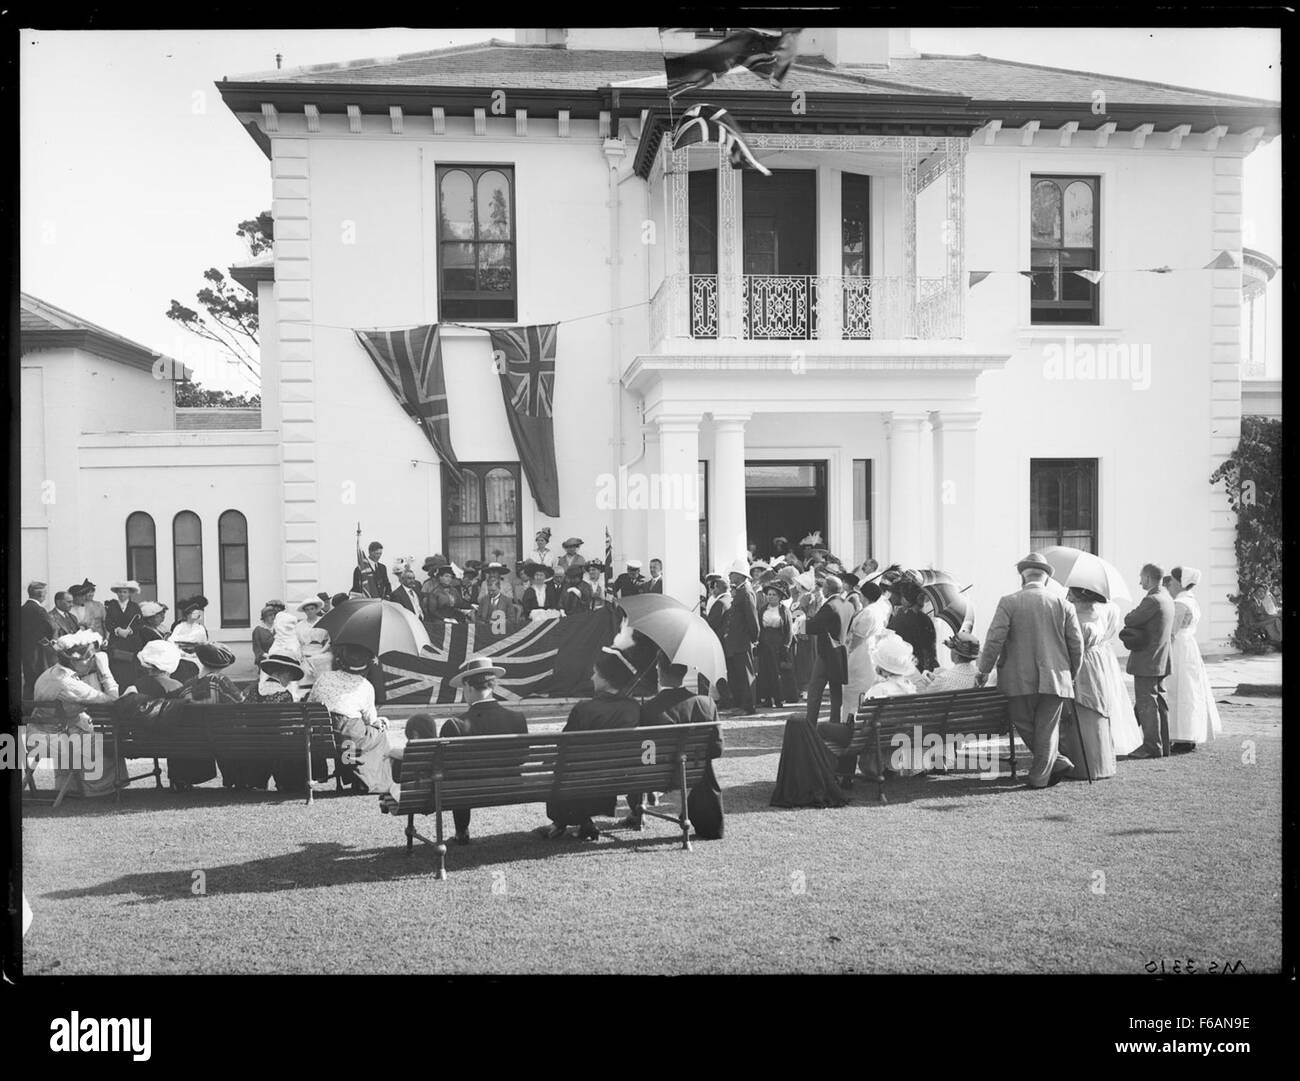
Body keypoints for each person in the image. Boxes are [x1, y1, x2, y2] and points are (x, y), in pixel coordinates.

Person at [975, 553, 1084, 789]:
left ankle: (1039, 778)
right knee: (1047, 728)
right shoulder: (1064, 605)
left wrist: (984, 669)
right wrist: (1071, 674)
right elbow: (1076, 645)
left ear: (1023, 578)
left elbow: (994, 639)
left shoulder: (1009, 601)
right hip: (1057, 676)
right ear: (1046, 579)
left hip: (1018, 677)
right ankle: (1056, 762)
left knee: (1024, 723)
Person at [542, 645, 643, 840]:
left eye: (596, 673)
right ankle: (581, 821)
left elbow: (564, 746)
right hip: (620, 775)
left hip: (587, 778)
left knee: (566, 767)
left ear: (606, 679)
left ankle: (566, 821)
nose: (592, 677)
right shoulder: (634, 708)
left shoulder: (584, 709)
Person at [619, 654, 724, 838]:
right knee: (702, 763)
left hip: (655, 774)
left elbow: (641, 751)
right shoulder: (706, 704)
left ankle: (637, 811)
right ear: (685, 672)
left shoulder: (648, 709)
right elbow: (717, 749)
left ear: (659, 672)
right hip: (693, 772)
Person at [438, 657, 529, 844]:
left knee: (458, 777)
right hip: (512, 785)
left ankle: (461, 831)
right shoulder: (518, 718)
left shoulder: (454, 725)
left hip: (469, 791)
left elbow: (444, 767)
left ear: (468, 687)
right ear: (493, 685)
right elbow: (523, 757)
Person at [29, 631, 122, 798]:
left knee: (80, 729)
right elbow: (113, 700)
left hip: (37, 736)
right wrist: (105, 671)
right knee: (108, 741)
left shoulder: (50, 674)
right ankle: (99, 789)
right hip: (58, 741)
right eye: (90, 658)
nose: (93, 661)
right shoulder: (67, 683)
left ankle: (70, 787)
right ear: (75, 661)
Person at [1054, 588, 1124, 780]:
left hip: (1082, 664)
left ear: (1078, 596)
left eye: (1071, 593)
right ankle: (1100, 763)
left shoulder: (1075, 617)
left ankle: (1084, 765)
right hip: (1096, 663)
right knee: (1095, 709)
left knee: (1082, 710)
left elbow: (1072, 645)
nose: (1068, 596)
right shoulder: (1097, 614)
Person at [310, 642, 393, 795]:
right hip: (347, 741)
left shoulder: (324, 678)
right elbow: (371, 721)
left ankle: (353, 775)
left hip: (319, 739)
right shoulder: (365, 686)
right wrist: (382, 722)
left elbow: (310, 704)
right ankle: (369, 780)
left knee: (353, 735)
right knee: (379, 735)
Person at [1121, 563, 1175, 759]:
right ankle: (1162, 745)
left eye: (1141, 578)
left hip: (1147, 659)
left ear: (1148, 578)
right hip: (1160, 658)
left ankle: (1151, 746)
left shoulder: (1152, 600)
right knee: (1159, 701)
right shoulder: (1166, 597)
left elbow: (1130, 619)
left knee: (1147, 703)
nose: (1140, 582)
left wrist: (1131, 614)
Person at [1165, 567, 1223, 751]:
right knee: (1189, 690)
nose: (1170, 584)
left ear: (1179, 582)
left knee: (1180, 690)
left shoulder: (1180, 603)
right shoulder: (1191, 600)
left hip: (1179, 648)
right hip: (1189, 646)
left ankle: (1183, 736)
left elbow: (1172, 631)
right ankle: (1186, 734)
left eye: (1172, 581)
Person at [804, 574, 853, 726]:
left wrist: (800, 621)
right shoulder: (848, 605)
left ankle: (810, 724)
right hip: (841, 652)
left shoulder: (829, 606)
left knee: (815, 690)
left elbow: (813, 626)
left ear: (827, 589)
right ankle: (835, 724)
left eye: (824, 586)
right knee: (836, 691)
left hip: (827, 653)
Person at [842, 581, 888, 716]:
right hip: (869, 652)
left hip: (861, 654)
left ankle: (850, 719)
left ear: (864, 596)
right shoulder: (877, 610)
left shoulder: (868, 612)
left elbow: (857, 638)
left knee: (854, 690)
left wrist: (847, 653)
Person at [723, 559, 760, 714]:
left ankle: (748, 706)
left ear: (740, 575)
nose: (730, 576)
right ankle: (739, 705)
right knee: (737, 675)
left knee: (745, 675)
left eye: (732, 573)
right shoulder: (740, 591)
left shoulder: (746, 592)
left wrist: (754, 638)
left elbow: (752, 619)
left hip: (742, 640)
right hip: (735, 641)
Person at [887, 579, 938, 675]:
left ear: (905, 599)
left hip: (907, 667)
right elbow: (930, 648)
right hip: (923, 668)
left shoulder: (900, 618)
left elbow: (890, 643)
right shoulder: (925, 618)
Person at [756, 581, 793, 709]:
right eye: (769, 594)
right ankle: (766, 699)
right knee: (764, 672)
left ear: (779, 597)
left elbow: (789, 630)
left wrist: (786, 646)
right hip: (764, 643)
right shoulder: (762, 609)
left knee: (776, 672)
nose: (770, 597)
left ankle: (778, 699)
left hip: (778, 644)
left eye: (774, 595)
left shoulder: (784, 611)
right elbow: (758, 626)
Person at [104, 580, 144, 691]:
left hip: (131, 643)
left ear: (129, 593)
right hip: (116, 643)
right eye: (120, 592)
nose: (122, 594)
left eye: (125, 592)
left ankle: (131, 690)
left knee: (131, 669)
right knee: (117, 668)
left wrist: (130, 631)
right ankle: (118, 691)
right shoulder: (112, 606)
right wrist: (117, 630)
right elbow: (108, 623)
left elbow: (140, 623)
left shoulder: (135, 606)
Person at [390, 713, 438, 787]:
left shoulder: (403, 759)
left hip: (416, 793)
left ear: (415, 734)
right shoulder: (447, 751)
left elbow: (396, 780)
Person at [476, 565, 519, 637]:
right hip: (486, 630)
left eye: (494, 572)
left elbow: (511, 620)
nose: (492, 574)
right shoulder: (484, 594)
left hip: (502, 630)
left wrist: (498, 622)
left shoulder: (506, 588)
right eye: (491, 572)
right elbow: (478, 618)